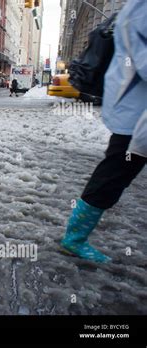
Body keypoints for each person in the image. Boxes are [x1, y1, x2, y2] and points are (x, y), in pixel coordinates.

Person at [60, 0, 147, 263]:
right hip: (133, 113)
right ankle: (74, 238)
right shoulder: (140, 10)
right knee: (114, 173)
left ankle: (75, 238)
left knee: (116, 171)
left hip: (134, 110)